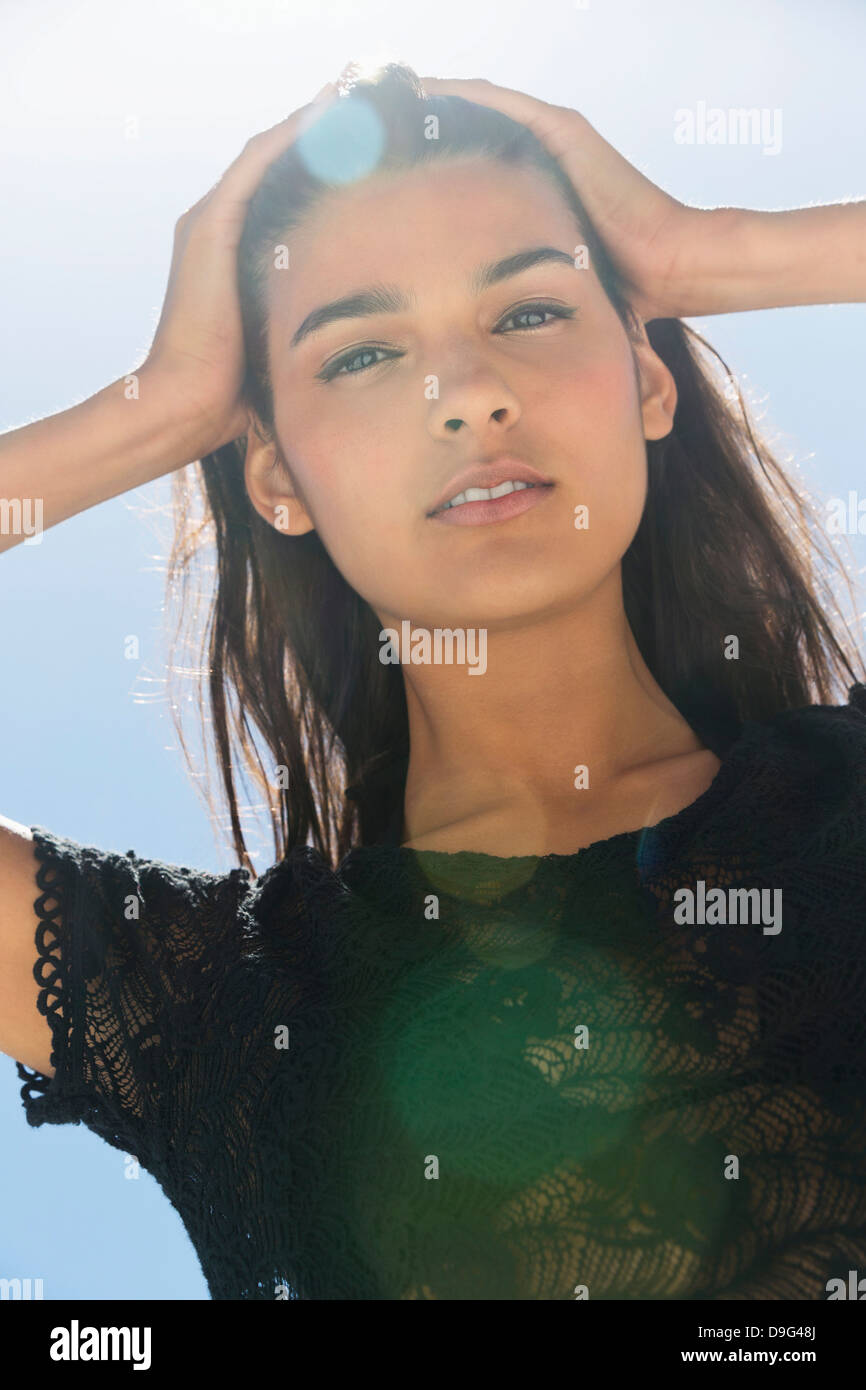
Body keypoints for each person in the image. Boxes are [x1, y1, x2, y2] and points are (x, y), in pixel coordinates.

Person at [1, 61, 865, 1301]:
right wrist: (155, 413)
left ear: (648, 379)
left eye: (528, 312)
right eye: (360, 353)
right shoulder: (220, 1012)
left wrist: (712, 250)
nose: (466, 396)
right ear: (274, 476)